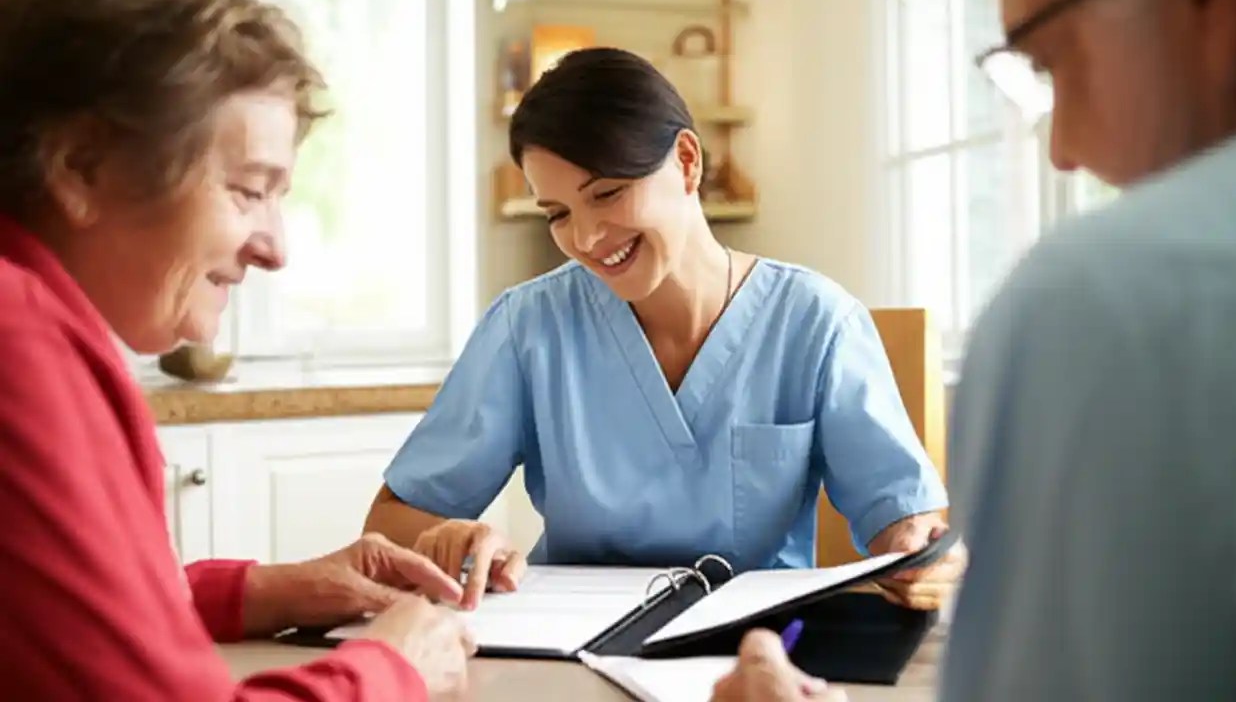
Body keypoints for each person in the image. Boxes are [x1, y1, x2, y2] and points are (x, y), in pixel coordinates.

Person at [714, 0, 1236, 699]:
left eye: (1051, 63)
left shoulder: (1102, 303)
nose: (1063, 154)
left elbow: (913, 533)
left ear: (1208, 0)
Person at [364, 46, 967, 612]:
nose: (586, 239)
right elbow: (391, 523)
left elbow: (905, 522)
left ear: (686, 161)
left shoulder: (816, 321)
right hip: (571, 653)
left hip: (760, 656)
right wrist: (451, 536)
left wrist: (916, 550)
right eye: (558, 214)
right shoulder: (528, 328)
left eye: (607, 193)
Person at [0, 0, 475, 699]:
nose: (275, 249)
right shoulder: (17, 342)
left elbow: (57, 627)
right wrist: (391, 668)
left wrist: (267, 590)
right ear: (81, 168)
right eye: (250, 189)